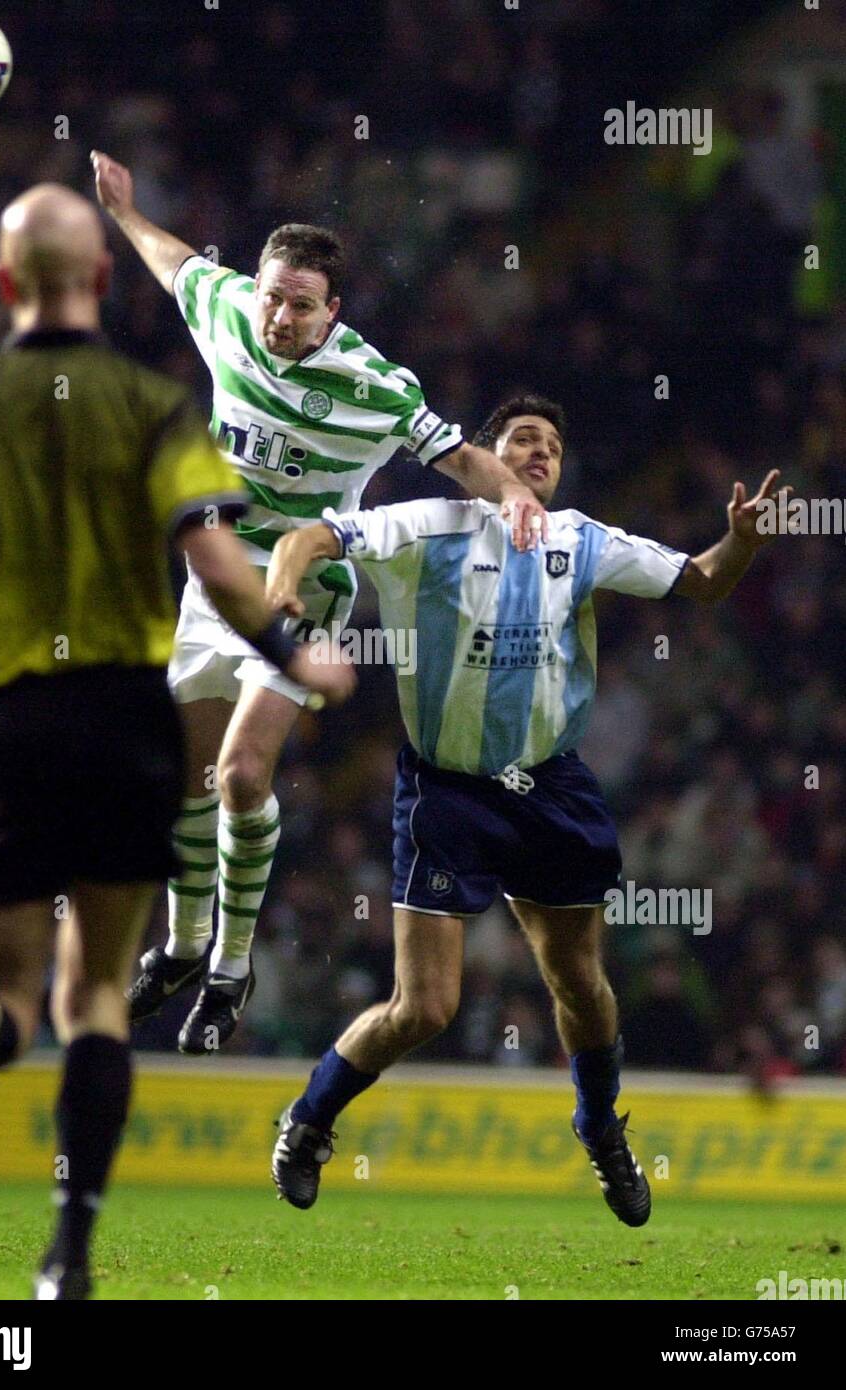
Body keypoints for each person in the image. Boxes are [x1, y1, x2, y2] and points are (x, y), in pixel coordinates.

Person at [0, 183, 351, 1299]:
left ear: (2, 286)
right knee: (94, 994)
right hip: (120, 715)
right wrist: (295, 651)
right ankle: (68, 1251)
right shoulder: (152, 408)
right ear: (99, 283)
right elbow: (219, 569)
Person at [264, 392, 788, 1225]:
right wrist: (284, 587)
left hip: (550, 786)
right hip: (448, 791)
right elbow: (312, 536)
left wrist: (744, 542)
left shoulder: (580, 539)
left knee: (579, 982)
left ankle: (599, 1127)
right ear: (482, 457)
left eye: (551, 442)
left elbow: (704, 581)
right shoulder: (426, 525)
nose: (540, 453)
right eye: (521, 440)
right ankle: (308, 1121)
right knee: (425, 1008)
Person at [89, 150, 547, 1053]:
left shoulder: (376, 386)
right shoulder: (226, 312)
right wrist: (123, 212)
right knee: (185, 778)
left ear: (332, 312)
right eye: (272, 295)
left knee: (244, 775)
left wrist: (517, 496)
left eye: (301, 304)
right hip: (214, 578)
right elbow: (177, 263)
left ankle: (229, 966)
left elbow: (458, 456)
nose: (279, 315)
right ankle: (180, 948)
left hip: (307, 587)